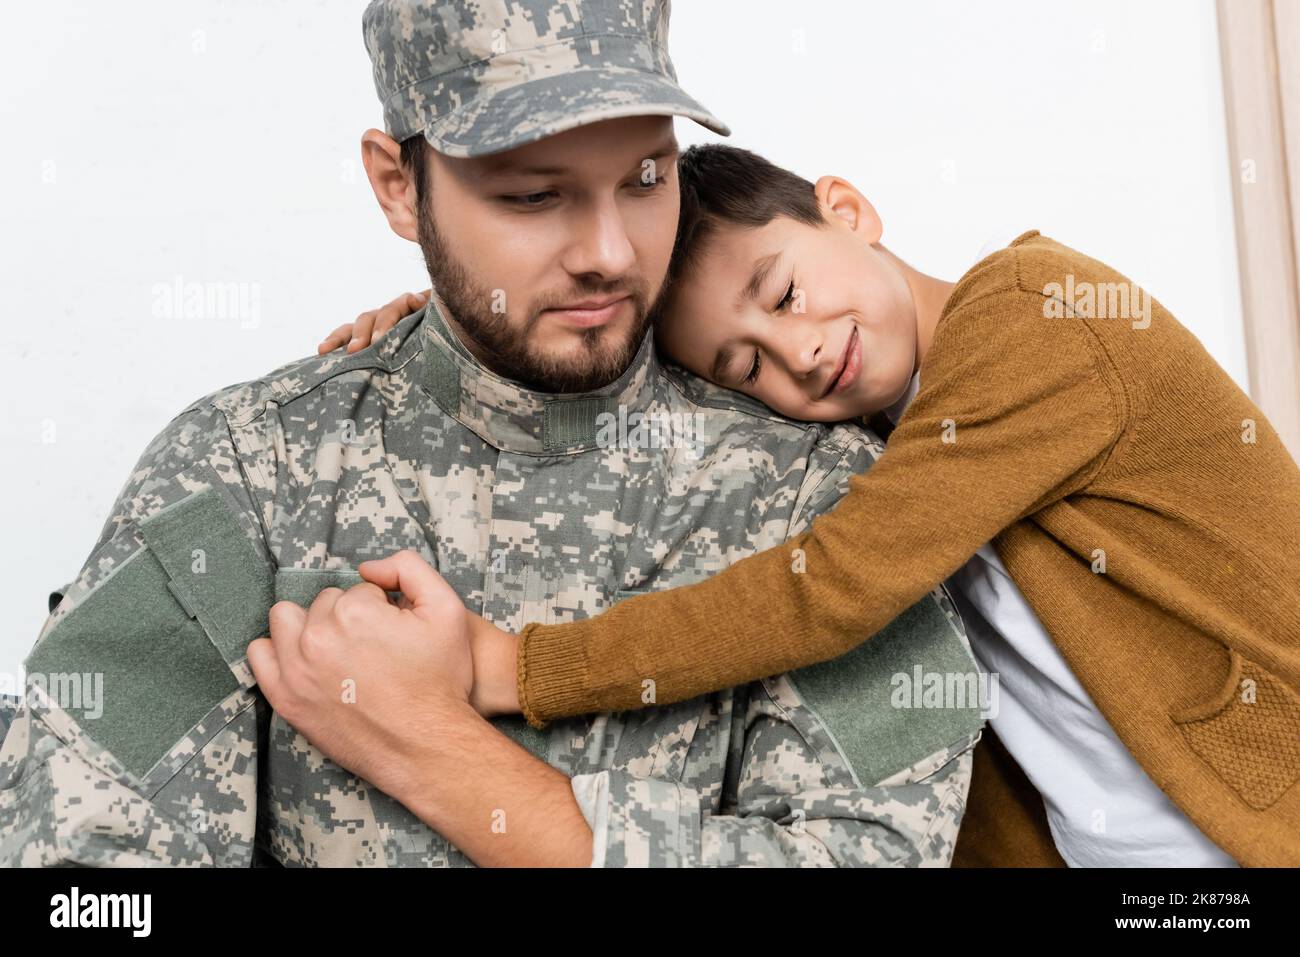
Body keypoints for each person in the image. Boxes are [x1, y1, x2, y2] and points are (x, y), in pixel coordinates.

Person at [0, 0, 982, 867]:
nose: (606, 254)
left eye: (645, 178)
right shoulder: (245, 471)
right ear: (397, 185)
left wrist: (435, 750)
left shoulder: (832, 498)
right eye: (529, 195)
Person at [329, 143, 1300, 868]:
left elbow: (827, 589)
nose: (793, 352)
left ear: (847, 209)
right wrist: (463, 328)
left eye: (783, 293)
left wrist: (517, 666)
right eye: (744, 367)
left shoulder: (1036, 312)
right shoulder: (875, 440)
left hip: (1250, 839)